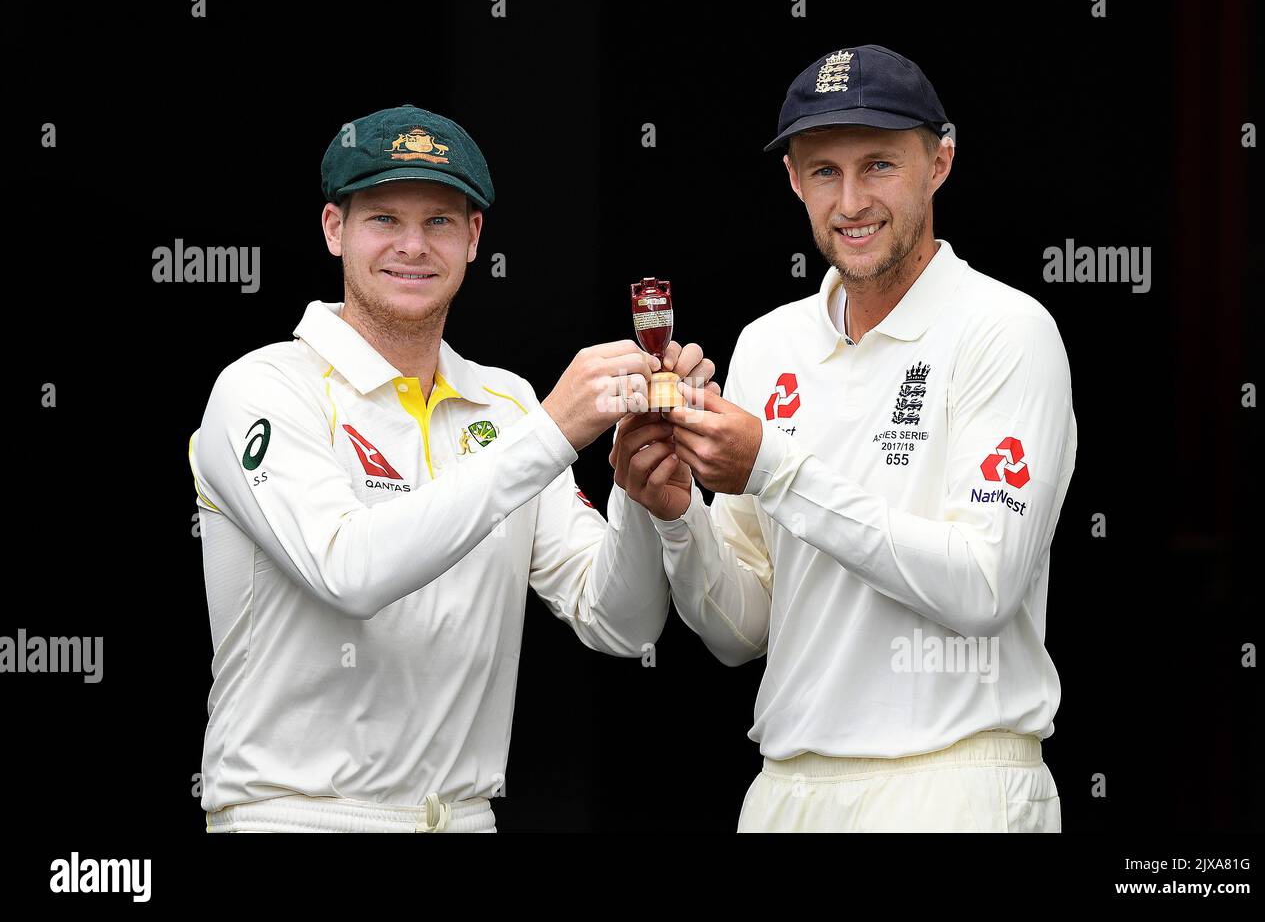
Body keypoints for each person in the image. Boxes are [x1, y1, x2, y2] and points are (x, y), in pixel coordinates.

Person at [187, 104, 717, 833]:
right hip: (294, 817)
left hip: (464, 818)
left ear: (473, 239)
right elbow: (351, 573)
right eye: (383, 219)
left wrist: (639, 489)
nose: (413, 246)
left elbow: (621, 625)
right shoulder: (264, 387)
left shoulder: (508, 404)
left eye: (439, 220)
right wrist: (554, 433)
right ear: (333, 229)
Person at [617, 45, 1077, 831]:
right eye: (824, 171)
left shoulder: (1008, 329)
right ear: (793, 180)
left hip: (953, 782)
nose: (851, 200)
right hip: (786, 787)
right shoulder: (768, 343)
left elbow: (982, 586)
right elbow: (743, 631)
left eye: (879, 165)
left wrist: (775, 468)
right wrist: (677, 518)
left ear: (941, 160)